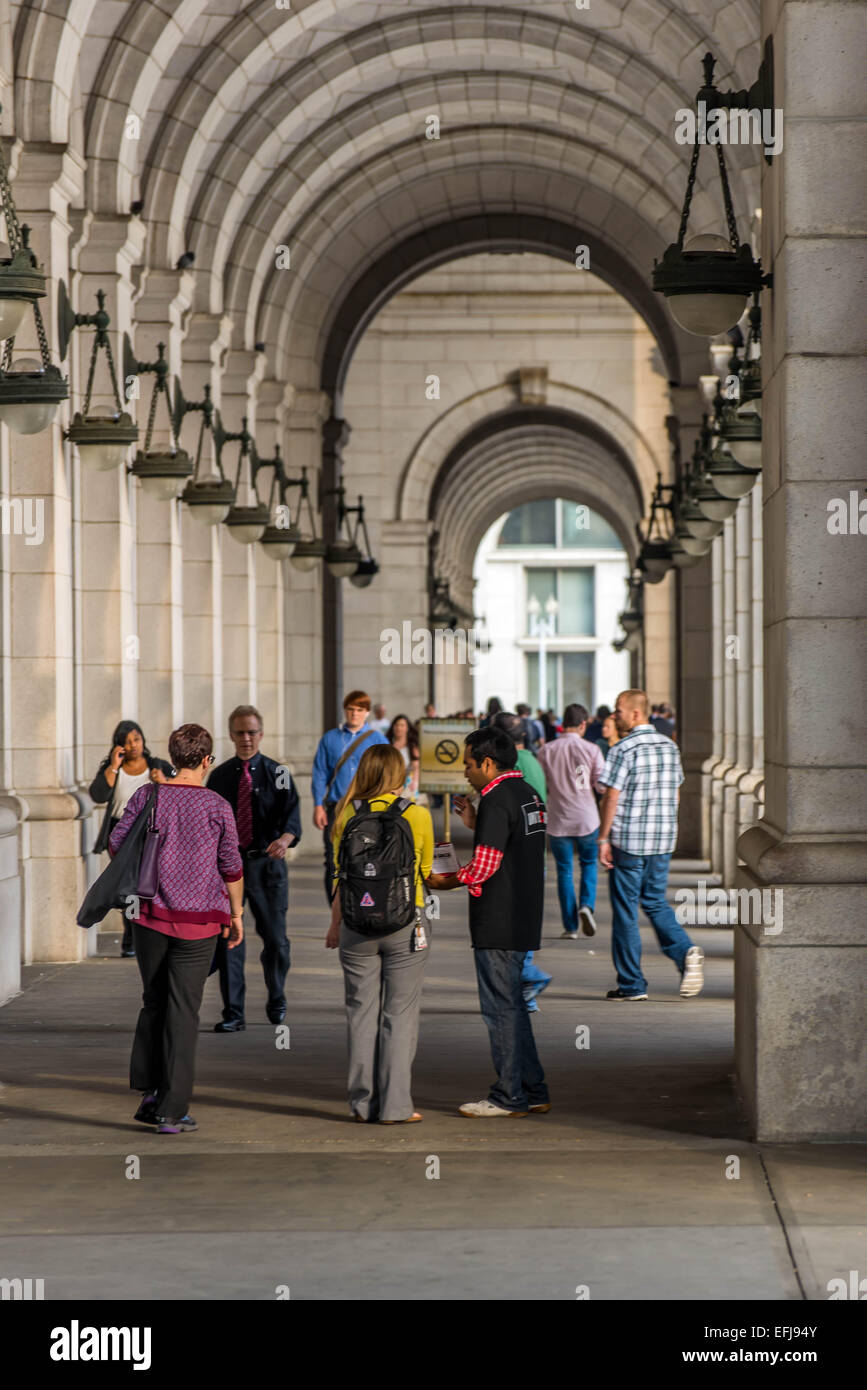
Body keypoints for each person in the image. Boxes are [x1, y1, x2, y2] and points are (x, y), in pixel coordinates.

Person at [109, 724, 244, 1134]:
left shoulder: (147, 795)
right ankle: (172, 1110)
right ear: (206, 761)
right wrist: (236, 915)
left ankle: (150, 1091)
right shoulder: (217, 806)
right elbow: (231, 866)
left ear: (171, 757)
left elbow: (117, 843)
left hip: (150, 916)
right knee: (184, 1011)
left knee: (154, 1000)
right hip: (200, 921)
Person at [430, 727, 549, 1118]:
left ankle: (508, 1095)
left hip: (498, 919)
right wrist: (476, 821)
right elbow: (513, 846)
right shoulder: (528, 795)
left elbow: (484, 866)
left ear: (487, 762)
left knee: (499, 1009)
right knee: (513, 1007)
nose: (465, 771)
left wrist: (441, 880)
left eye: (468, 763)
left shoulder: (497, 799)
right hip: (523, 916)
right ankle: (532, 1089)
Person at [325, 745, 435, 1123]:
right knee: (399, 1014)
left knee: (360, 1013)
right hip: (406, 922)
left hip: (356, 925)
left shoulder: (345, 815)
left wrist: (335, 923)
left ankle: (361, 1104)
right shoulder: (417, 815)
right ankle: (396, 1107)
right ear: (399, 775)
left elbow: (340, 875)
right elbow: (425, 869)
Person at [597, 689, 704, 1000]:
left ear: (635, 714)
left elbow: (611, 796)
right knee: (655, 902)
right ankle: (685, 952)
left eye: (618, 710)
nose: (615, 715)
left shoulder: (623, 749)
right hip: (662, 839)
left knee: (626, 910)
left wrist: (603, 838)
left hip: (628, 841)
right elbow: (676, 792)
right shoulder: (670, 747)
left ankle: (632, 985)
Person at [207, 705, 301, 1032]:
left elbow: (293, 819)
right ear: (231, 735)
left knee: (276, 939)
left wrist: (286, 839)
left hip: (267, 866)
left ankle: (277, 994)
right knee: (230, 938)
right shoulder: (218, 777)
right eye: (240, 732)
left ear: (261, 734)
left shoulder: (279, 774)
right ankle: (233, 1013)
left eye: (252, 732)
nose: (246, 738)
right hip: (230, 868)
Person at [89, 720, 175, 957]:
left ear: (143, 740)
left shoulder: (157, 766)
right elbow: (98, 795)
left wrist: (164, 782)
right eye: (126, 741)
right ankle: (131, 940)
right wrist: (114, 766)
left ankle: (144, 936)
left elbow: (181, 792)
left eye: (136, 739)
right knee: (129, 888)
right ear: (119, 746)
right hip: (121, 834)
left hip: (151, 833)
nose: (133, 745)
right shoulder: (113, 769)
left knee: (147, 887)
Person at [492, 712, 550, 1010]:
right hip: (534, 855)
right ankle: (524, 992)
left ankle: (529, 977)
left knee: (510, 926)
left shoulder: (509, 768)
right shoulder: (534, 764)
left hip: (515, 857)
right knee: (523, 925)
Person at [311, 691, 389, 902]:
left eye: (360, 710)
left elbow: (388, 772)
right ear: (345, 710)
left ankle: (363, 906)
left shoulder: (377, 739)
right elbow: (319, 773)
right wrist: (318, 804)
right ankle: (335, 911)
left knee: (367, 858)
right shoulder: (330, 739)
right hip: (336, 807)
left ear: (367, 713)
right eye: (351, 709)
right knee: (333, 860)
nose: (354, 714)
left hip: (368, 810)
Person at [537, 703, 605, 940]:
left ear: (562, 723)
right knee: (589, 864)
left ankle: (571, 927)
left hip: (558, 819)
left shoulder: (546, 750)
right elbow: (601, 785)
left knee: (564, 871)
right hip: (587, 818)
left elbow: (540, 783)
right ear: (583, 724)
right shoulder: (592, 749)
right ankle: (586, 905)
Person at [387, 713, 420, 800]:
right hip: (389, 783)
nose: (399, 728)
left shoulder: (412, 746)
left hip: (407, 784)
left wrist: (415, 782)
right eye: (397, 725)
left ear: (407, 728)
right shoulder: (387, 743)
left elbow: (416, 767)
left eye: (402, 725)